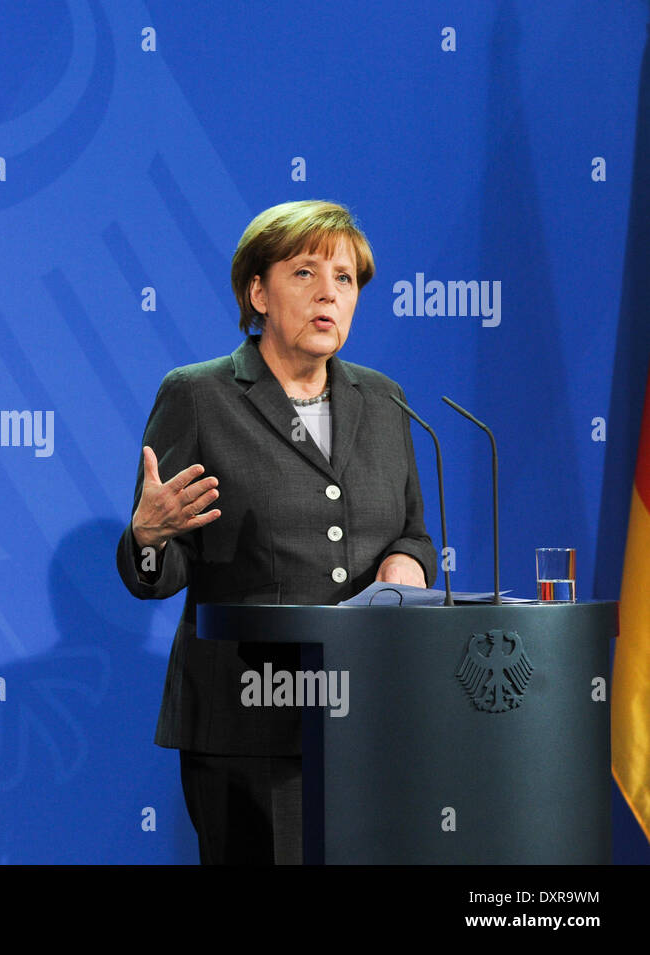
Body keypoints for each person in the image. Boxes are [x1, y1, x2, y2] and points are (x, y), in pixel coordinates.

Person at [116, 199, 436, 864]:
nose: (329, 293)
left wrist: (408, 565)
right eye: (305, 273)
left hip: (369, 719)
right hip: (248, 724)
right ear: (257, 291)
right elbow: (161, 567)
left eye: (345, 279)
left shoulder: (385, 401)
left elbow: (413, 532)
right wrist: (148, 537)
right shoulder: (199, 396)